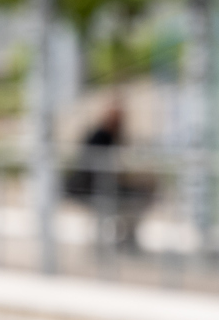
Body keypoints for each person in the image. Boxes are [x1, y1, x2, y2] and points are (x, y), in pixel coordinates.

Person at [63, 100, 155, 251]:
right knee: (136, 199)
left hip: (103, 186)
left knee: (141, 197)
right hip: (93, 188)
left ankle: (127, 238)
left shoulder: (111, 136)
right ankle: (125, 240)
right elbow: (102, 168)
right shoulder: (99, 137)